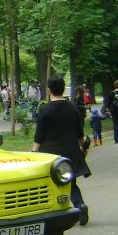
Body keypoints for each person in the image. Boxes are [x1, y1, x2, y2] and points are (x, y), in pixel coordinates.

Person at [33, 74, 90, 226]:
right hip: (71, 151)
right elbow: (79, 132)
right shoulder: (72, 108)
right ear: (64, 89)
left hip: (50, 154)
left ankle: (51, 212)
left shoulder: (45, 110)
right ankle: (79, 205)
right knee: (70, 182)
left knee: (50, 184)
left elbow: (39, 135)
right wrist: (82, 147)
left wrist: (34, 152)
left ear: (49, 90)